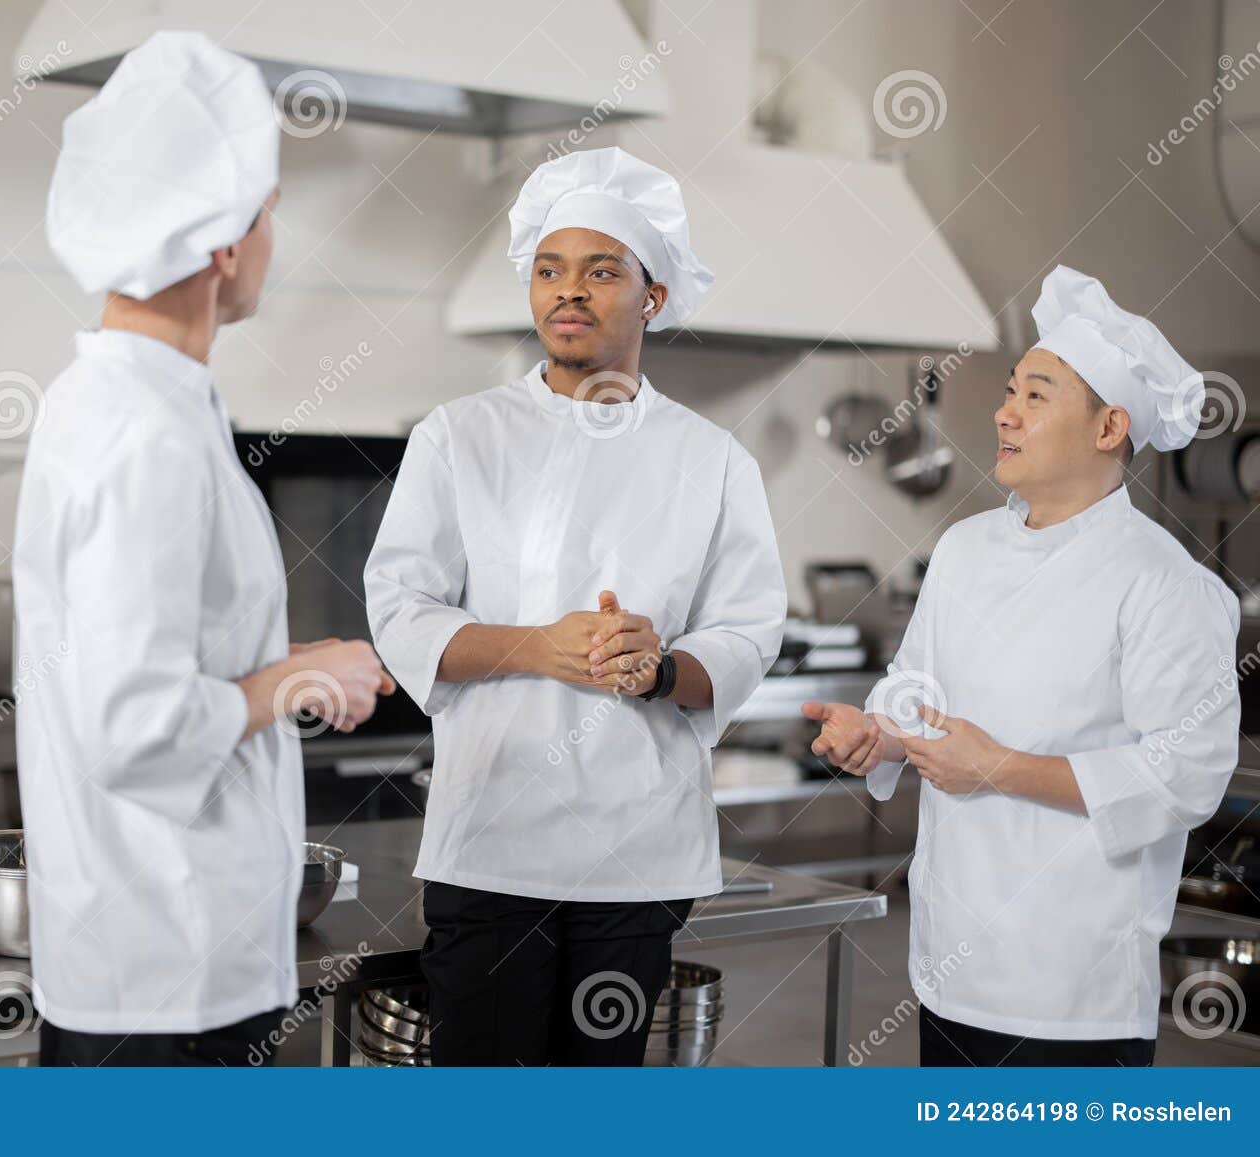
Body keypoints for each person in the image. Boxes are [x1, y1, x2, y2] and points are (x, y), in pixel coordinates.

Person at [14, 31, 392, 1068]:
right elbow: (133, 722)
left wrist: (284, 669)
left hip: (172, 958)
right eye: (269, 212)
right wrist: (289, 679)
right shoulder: (140, 428)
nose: (274, 236)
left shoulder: (136, 400)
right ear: (225, 240)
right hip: (162, 980)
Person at [364, 147, 787, 1066]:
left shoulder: (712, 460)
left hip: (635, 846)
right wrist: (536, 647)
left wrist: (663, 665)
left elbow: (751, 628)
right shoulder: (459, 437)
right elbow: (400, 605)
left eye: (602, 271)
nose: (569, 292)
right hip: (489, 839)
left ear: (653, 298)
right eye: (549, 270)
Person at [802, 265, 1239, 1067]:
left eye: (1036, 395)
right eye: (1012, 390)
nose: (1004, 411)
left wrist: (997, 766)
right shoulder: (965, 550)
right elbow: (918, 688)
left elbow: (1185, 775)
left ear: (1109, 428)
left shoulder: (1165, 582)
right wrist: (879, 732)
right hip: (953, 963)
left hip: (1077, 991)